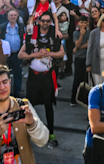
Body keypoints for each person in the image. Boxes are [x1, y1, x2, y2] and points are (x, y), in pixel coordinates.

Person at [0, 64, 48, 164]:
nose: (2, 87)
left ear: (10, 83)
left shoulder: (24, 106)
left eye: (5, 82)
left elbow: (43, 141)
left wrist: (32, 124)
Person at [20, 11, 64, 149]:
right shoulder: (32, 36)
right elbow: (21, 55)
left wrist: (49, 53)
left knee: (48, 105)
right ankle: (27, 132)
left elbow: (62, 52)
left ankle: (51, 133)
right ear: (38, 22)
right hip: (33, 76)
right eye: (42, 21)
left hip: (47, 76)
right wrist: (35, 54)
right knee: (29, 106)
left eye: (47, 21)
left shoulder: (54, 35)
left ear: (50, 22)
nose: (45, 23)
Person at [86, 13, 104, 88]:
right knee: (97, 86)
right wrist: (88, 64)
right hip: (96, 62)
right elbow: (89, 49)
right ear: (101, 21)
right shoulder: (94, 33)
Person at [2, 9, 25, 98]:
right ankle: (5, 93)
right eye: (11, 15)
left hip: (17, 54)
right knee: (5, 74)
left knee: (18, 74)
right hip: (5, 55)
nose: (13, 17)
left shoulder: (21, 26)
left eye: (15, 15)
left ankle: (17, 93)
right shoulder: (3, 27)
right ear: (8, 17)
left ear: (17, 17)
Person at [72, 18, 91, 105]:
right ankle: (73, 99)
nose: (83, 24)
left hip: (86, 57)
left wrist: (78, 47)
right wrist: (81, 35)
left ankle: (84, 99)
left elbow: (88, 44)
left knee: (86, 79)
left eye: (84, 22)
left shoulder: (90, 33)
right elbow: (77, 43)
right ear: (78, 23)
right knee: (77, 78)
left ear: (87, 23)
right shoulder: (75, 33)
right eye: (81, 22)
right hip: (78, 58)